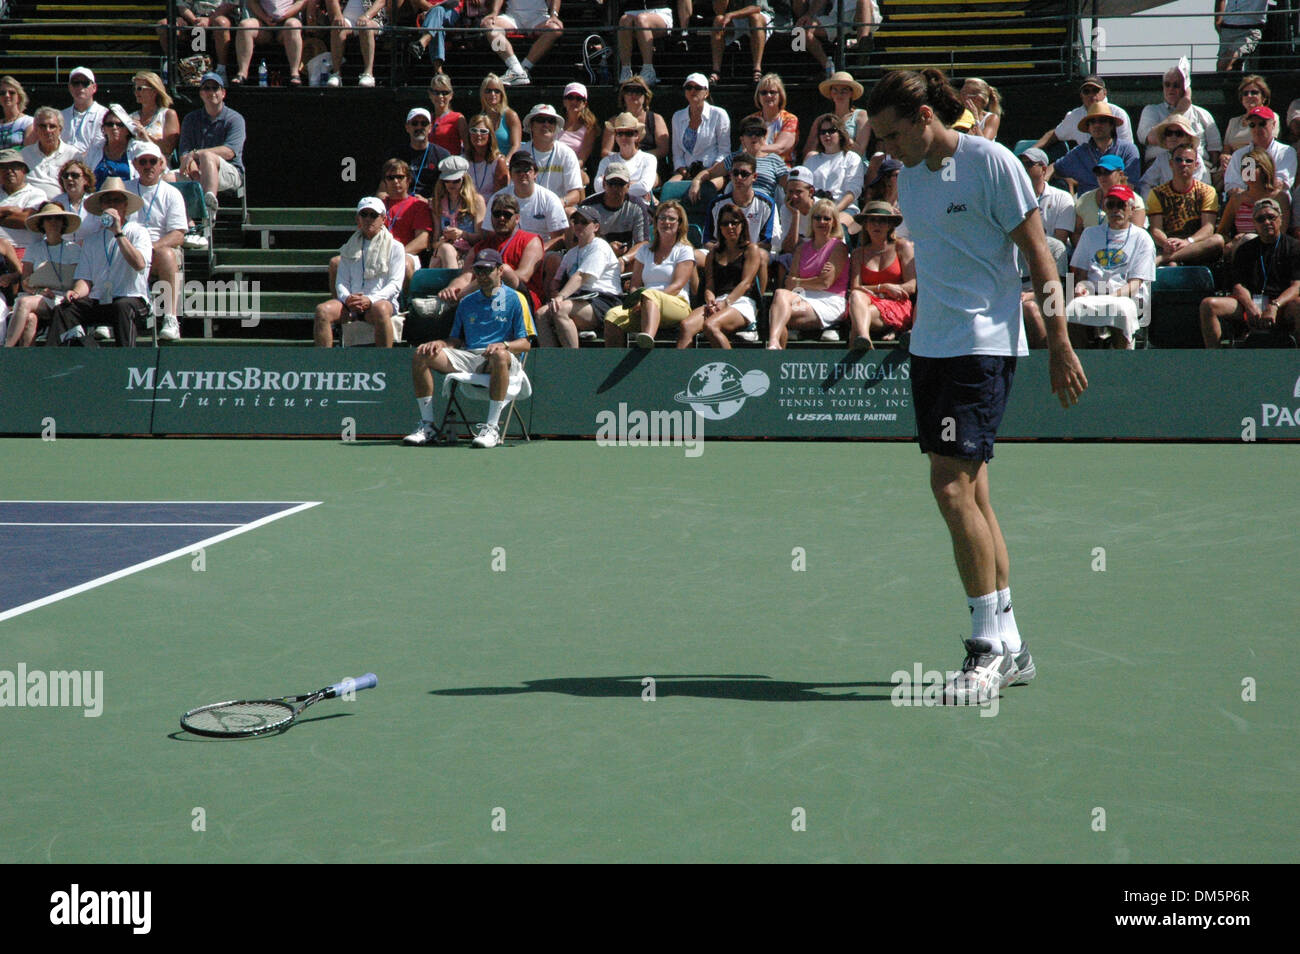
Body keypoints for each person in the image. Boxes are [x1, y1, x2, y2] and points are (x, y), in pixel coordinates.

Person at [866, 67, 1087, 704]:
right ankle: (1011, 645)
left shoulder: (992, 163)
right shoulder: (908, 178)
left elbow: (1040, 256)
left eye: (891, 133)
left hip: (982, 348)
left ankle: (985, 650)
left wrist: (1059, 340)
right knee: (976, 492)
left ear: (924, 119)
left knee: (950, 486)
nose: (885, 148)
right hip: (930, 347)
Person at [403, 248, 535, 448]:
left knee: (499, 356)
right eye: (478, 270)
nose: (481, 275)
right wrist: (440, 343)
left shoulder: (516, 299)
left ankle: (491, 428)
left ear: (500, 270)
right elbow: (455, 340)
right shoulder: (467, 302)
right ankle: (428, 426)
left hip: (502, 358)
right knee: (422, 354)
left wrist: (504, 345)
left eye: (487, 270)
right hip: (470, 356)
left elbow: (526, 343)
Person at [45, 177, 151, 348]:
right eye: (107, 201)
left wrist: (118, 233)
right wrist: (76, 292)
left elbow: (139, 264)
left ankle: (127, 361)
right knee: (65, 309)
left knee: (122, 307)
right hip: (100, 299)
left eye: (116, 200)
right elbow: (85, 278)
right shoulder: (92, 240)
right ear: (101, 206)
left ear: (125, 205)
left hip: (132, 297)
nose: (112, 205)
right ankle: (51, 362)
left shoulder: (138, 232)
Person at [1067, 185, 1156, 350]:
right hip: (1094, 293)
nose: (1116, 210)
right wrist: (1081, 287)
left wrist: (1111, 297)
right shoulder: (1090, 234)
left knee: (1118, 308)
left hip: (1128, 296)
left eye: (1121, 205)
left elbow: (1135, 284)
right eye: (1111, 205)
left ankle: (1122, 361)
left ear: (1131, 209)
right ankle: (1082, 357)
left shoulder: (1143, 238)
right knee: (1072, 307)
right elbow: (1081, 275)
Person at [1201, 197, 1299, 346]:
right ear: (1254, 223)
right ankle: (1215, 362)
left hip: (1281, 306)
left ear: (1280, 219)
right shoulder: (1245, 249)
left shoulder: (1294, 247)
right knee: (1208, 305)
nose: (1266, 222)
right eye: (1260, 219)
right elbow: (1238, 285)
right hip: (1251, 304)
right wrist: (1250, 306)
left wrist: (1274, 306)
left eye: (1271, 217)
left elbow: (1296, 286)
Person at [602, 200, 696, 348]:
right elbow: (634, 285)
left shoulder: (684, 250)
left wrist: (649, 298)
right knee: (612, 316)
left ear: (680, 224)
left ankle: (646, 341)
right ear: (656, 222)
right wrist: (637, 301)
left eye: (672, 219)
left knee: (650, 294)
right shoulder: (644, 250)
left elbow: (677, 286)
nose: (666, 222)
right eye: (662, 218)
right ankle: (614, 362)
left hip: (677, 304)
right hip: (645, 304)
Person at [313, 197, 403, 347]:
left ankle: (384, 363)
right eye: (364, 214)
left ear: (383, 218)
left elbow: (395, 284)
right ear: (358, 219)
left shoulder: (396, 247)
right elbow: (341, 281)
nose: (368, 219)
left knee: (380, 309)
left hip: (380, 302)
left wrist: (371, 299)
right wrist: (348, 298)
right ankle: (324, 365)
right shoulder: (349, 247)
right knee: (322, 311)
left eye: (373, 215)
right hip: (351, 303)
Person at [437, 192, 544, 315]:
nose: (501, 218)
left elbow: (523, 276)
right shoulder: (480, 247)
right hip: (487, 297)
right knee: (481, 277)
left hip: (521, 298)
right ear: (491, 217)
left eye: (507, 215)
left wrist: (489, 277)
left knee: (503, 271)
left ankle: (450, 304)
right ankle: (449, 300)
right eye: (497, 214)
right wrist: (452, 288)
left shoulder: (531, 240)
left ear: (517, 218)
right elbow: (466, 277)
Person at [536, 205, 623, 347]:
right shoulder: (571, 253)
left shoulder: (600, 246)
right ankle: (551, 360)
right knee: (541, 315)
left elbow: (581, 276)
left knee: (561, 310)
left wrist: (560, 297)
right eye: (576, 222)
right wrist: (555, 295)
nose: (579, 225)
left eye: (584, 222)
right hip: (578, 299)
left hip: (605, 300)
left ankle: (572, 361)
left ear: (595, 227)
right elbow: (556, 282)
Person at [765, 197, 847, 347]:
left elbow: (825, 283)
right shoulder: (802, 248)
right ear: (811, 220)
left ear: (834, 222)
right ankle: (775, 345)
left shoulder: (838, 247)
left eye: (826, 218)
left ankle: (773, 345)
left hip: (829, 300)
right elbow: (789, 284)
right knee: (780, 296)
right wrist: (809, 281)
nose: (821, 222)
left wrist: (799, 281)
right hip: (802, 298)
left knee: (777, 314)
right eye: (817, 218)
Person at [679, 201, 763, 347]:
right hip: (718, 301)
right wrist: (711, 301)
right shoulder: (713, 253)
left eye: (734, 223)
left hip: (742, 302)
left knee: (710, 326)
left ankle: (731, 367)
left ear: (742, 224)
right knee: (686, 326)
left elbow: (746, 283)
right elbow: (709, 284)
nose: (729, 227)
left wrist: (726, 303)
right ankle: (682, 368)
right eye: (725, 223)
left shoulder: (751, 250)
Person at [127, 142, 188, 341]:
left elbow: (178, 234)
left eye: (153, 161)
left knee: (168, 254)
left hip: (158, 249)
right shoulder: (125, 190)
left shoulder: (172, 193)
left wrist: (150, 248)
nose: (148, 166)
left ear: (162, 164)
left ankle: (170, 318)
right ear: (135, 164)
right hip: (128, 248)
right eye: (143, 161)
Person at [6, 202, 81, 347]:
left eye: (57, 218)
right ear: (42, 224)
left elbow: (74, 280)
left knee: (23, 302)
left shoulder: (74, 249)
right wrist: (40, 291)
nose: (53, 222)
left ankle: (6, 350)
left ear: (63, 223)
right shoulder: (33, 249)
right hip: (37, 296)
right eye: (49, 219)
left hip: (61, 299)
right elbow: (25, 281)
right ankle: (27, 362)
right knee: (31, 319)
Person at [846, 200, 914, 350]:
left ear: (890, 225)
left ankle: (859, 338)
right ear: (865, 224)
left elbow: (911, 286)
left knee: (859, 317)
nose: (877, 225)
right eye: (872, 220)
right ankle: (864, 339)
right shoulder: (858, 253)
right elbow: (855, 287)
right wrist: (883, 287)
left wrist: (886, 290)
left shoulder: (902, 246)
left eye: (882, 221)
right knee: (856, 297)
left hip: (897, 303)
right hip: (867, 302)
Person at [177, 72, 246, 215]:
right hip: (196, 170)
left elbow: (229, 152)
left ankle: (208, 214)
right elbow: (184, 153)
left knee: (208, 156)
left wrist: (196, 154)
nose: (211, 92)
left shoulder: (235, 119)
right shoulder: (191, 119)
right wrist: (195, 173)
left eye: (215, 88)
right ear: (201, 93)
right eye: (206, 88)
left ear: (223, 93)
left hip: (230, 172)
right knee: (166, 178)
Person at [1135, 64, 1221, 176]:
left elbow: (1215, 148)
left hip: (1196, 166)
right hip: (1158, 166)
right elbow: (1149, 138)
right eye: (1167, 84)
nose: (1171, 89)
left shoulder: (1203, 114)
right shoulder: (1151, 111)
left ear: (1185, 88)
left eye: (1176, 85)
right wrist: (1180, 110)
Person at [1146, 144, 1223, 267]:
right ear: (1171, 164)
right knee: (1172, 265)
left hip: (1196, 245)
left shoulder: (1207, 191)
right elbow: (1156, 229)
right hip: (1170, 244)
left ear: (1196, 165)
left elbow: (1208, 228)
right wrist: (1166, 243)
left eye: (1188, 161)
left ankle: (1163, 259)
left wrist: (1188, 241)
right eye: (1179, 160)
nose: (1183, 164)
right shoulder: (1157, 193)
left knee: (1217, 240)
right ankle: (1170, 258)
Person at [689, 117, 787, 206]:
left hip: (764, 206)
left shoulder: (775, 160)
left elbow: (788, 186)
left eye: (758, 132)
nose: (754, 136)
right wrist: (697, 181)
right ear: (742, 139)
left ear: (764, 137)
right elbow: (710, 173)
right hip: (738, 209)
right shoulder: (734, 158)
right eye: (749, 132)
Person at [1049, 102, 1141, 195]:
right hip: (1086, 207)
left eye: (1102, 121)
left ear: (1112, 125)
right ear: (1088, 128)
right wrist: (1044, 183)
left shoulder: (1128, 150)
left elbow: (1130, 186)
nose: (1097, 125)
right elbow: (1055, 167)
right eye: (1092, 122)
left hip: (1118, 204)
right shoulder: (1078, 152)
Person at [576, 161, 653, 271]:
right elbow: (580, 241)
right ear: (603, 184)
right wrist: (607, 249)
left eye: (620, 184)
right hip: (593, 258)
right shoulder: (588, 207)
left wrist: (624, 259)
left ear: (628, 185)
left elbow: (643, 242)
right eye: (611, 183)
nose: (615, 189)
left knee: (642, 259)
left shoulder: (637, 206)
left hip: (625, 261)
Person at [484, 151, 567, 252]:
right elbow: (491, 234)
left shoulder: (550, 199)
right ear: (510, 174)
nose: (523, 174)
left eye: (527, 170)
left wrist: (534, 252)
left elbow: (559, 238)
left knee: (554, 259)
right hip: (506, 250)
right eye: (518, 170)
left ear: (535, 173)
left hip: (541, 252)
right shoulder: (497, 198)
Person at [1216, 148, 1289, 260]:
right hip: (1241, 252)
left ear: (1265, 169)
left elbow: (1280, 233)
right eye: (1244, 167)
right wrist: (1231, 242)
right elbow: (1222, 232)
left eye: (1252, 167)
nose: (1247, 171)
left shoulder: (1280, 197)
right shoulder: (1237, 198)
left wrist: (1249, 239)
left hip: (1270, 251)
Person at [1033, 75, 1134, 153]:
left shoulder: (1119, 113)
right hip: (1087, 168)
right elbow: (1055, 134)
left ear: (1104, 92)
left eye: (1095, 90)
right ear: (1081, 95)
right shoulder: (1074, 116)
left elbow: (1127, 149)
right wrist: (1032, 151)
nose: (1091, 95)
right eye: (1086, 91)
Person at [481, 0, 565, 87]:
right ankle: (514, 67)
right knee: (488, 25)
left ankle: (523, 69)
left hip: (539, 17)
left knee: (555, 29)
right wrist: (494, 13)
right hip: (512, 17)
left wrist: (554, 15)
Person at [703, 152, 778, 249]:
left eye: (744, 174)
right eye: (735, 173)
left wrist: (741, 252)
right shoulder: (716, 204)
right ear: (730, 175)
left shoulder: (766, 204)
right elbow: (707, 241)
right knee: (696, 255)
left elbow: (767, 243)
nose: (739, 178)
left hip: (752, 254)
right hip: (722, 254)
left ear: (754, 177)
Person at [804, 115, 865, 231]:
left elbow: (853, 192)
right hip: (814, 209)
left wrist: (833, 211)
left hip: (844, 209)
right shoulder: (811, 160)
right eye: (823, 132)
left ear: (841, 133)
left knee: (836, 229)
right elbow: (804, 189)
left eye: (831, 131)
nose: (826, 135)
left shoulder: (852, 158)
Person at [792, 2, 878, 82]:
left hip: (867, 14)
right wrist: (809, 15)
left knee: (863, 1)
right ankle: (829, 68)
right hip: (838, 16)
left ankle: (862, 49)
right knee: (801, 30)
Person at [519, 104, 583, 212]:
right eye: (540, 120)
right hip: (527, 208)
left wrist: (559, 203)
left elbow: (576, 194)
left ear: (556, 126)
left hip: (558, 208)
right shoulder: (521, 153)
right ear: (531, 125)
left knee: (571, 212)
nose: (546, 124)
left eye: (551, 121)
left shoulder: (567, 153)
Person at [1072, 155, 1147, 246]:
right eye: (1098, 172)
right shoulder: (1084, 199)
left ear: (1121, 174)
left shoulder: (1135, 200)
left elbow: (1135, 236)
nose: (1102, 176)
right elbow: (1076, 232)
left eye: (1107, 172)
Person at [616, 2, 695, 87]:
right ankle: (626, 70)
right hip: (633, 11)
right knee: (624, 21)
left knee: (641, 20)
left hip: (659, 12)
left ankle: (648, 70)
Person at [670, 74, 730, 184]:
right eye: (689, 87)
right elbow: (677, 154)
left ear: (706, 93)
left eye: (697, 88)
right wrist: (685, 173)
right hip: (685, 172)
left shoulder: (719, 114)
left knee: (706, 190)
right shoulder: (677, 116)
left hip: (713, 172)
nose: (693, 90)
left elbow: (724, 152)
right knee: (668, 189)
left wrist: (707, 173)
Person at [599, 76, 670, 169]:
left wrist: (638, 158)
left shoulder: (656, 119)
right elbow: (605, 152)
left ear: (645, 96)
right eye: (628, 91)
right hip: (621, 167)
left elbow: (663, 149)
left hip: (649, 167)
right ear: (623, 96)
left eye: (638, 91)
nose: (633, 95)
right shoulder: (613, 121)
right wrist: (624, 159)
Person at [1224, 105, 1296, 194]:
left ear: (1273, 124)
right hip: (1246, 201)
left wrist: (1255, 192)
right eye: (1252, 125)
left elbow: (1282, 183)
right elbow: (1232, 185)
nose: (1257, 129)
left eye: (1262, 124)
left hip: (1275, 201)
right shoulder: (1239, 154)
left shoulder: (1286, 151)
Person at [157, 3, 236, 83]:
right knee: (163, 25)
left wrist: (209, 20)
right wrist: (194, 20)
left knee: (221, 23)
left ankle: (221, 70)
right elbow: (182, 6)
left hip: (219, 16)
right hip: (191, 18)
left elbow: (231, 3)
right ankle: (172, 67)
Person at [233, 0, 306, 86]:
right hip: (263, 24)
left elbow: (301, 2)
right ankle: (242, 73)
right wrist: (265, 18)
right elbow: (252, 2)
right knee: (244, 26)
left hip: (286, 24)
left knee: (293, 25)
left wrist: (284, 16)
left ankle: (294, 74)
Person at [802, 70, 871, 160]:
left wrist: (839, 134)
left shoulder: (861, 115)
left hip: (854, 164)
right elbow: (808, 151)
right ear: (830, 93)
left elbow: (860, 151)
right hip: (827, 164)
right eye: (835, 90)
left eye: (844, 90)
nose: (839, 94)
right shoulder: (821, 120)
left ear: (851, 93)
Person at [430, 155, 484, 268]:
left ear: (464, 179)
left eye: (455, 180)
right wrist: (442, 241)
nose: (451, 184)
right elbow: (434, 242)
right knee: (446, 249)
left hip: (468, 254)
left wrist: (462, 234)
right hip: (444, 253)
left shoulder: (476, 201)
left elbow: (482, 237)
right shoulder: (437, 202)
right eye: (447, 181)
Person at [1139, 114, 1214, 193]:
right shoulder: (1162, 158)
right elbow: (1146, 183)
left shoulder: (1195, 159)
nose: (1173, 137)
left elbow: (1201, 188)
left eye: (1179, 133)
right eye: (1169, 133)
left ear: (1188, 138)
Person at [20, 108, 81, 201]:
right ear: (35, 129)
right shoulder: (24, 154)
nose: (47, 130)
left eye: (52, 126)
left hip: (61, 207)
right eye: (42, 126)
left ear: (60, 129)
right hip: (30, 206)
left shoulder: (73, 155)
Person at [389, 108, 449, 200]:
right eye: (414, 123)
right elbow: (383, 188)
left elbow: (450, 190)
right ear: (407, 127)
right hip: (403, 204)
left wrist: (427, 202)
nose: (419, 127)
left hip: (433, 206)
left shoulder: (442, 155)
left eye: (424, 124)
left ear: (430, 128)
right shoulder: (396, 154)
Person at [594, 113, 658, 201]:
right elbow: (597, 186)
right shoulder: (607, 161)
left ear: (637, 135)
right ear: (615, 136)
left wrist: (612, 185)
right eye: (619, 133)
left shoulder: (649, 159)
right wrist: (632, 183)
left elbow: (644, 187)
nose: (623, 137)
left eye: (628, 133)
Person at [708, 1, 773, 87]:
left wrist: (731, 15)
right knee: (718, 20)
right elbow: (719, 11)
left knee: (755, 17)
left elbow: (756, 8)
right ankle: (716, 72)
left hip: (760, 14)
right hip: (736, 16)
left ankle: (757, 70)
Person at [323, 0, 382, 87]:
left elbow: (381, 1)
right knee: (337, 27)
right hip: (347, 18)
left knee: (366, 26)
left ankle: (368, 74)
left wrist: (367, 16)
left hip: (372, 18)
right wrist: (338, 14)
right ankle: (336, 74)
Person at [0, 149, 45, 257]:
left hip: (25, 251)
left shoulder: (36, 194)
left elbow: (27, 220)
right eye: (3, 167)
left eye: (14, 166)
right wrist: (7, 210)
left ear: (24, 170)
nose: (9, 171)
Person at [128, 71, 181, 163]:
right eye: (135, 88)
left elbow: (168, 149)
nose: (136, 92)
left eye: (140, 88)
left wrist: (145, 135)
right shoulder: (131, 117)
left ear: (154, 91)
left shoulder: (167, 115)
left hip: (159, 167)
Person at [747, 73, 797, 165]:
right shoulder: (751, 120)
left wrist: (754, 148)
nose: (768, 95)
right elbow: (744, 147)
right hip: (755, 165)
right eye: (764, 92)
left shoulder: (790, 119)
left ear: (780, 95)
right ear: (758, 96)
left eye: (772, 92)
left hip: (781, 166)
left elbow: (780, 148)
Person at [83, 106, 138, 190]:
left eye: (119, 124)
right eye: (109, 124)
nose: (114, 127)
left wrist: (144, 137)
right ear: (104, 129)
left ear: (127, 129)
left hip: (128, 198)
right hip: (99, 199)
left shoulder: (137, 149)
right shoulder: (95, 148)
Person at [465, 112, 508, 209]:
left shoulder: (498, 162)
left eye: (483, 131)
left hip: (491, 210)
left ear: (490, 135)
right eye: (474, 130)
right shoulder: (463, 160)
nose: (478, 134)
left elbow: (500, 197)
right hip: (467, 210)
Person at [61, 67, 108, 157]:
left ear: (94, 88)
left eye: (85, 83)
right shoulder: (60, 116)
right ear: (70, 87)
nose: (80, 87)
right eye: (75, 83)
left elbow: (101, 146)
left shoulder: (104, 115)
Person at [52, 158, 100, 245]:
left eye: (74, 175)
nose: (69, 178)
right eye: (65, 176)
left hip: (90, 250)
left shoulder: (95, 202)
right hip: (62, 252)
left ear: (86, 179)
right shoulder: (56, 202)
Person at [1215, 0, 1268, 73]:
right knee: (1223, 67)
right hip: (1227, 29)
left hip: (1249, 30)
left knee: (1224, 63)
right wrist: (1218, 20)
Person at [558, 83, 598, 178]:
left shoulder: (589, 128)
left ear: (584, 104)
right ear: (564, 101)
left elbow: (582, 159)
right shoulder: (554, 123)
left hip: (573, 172)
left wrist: (564, 171)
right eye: (570, 97)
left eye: (579, 99)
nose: (574, 101)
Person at [479, 74, 522, 160]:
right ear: (483, 93)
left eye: (497, 91)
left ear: (502, 94)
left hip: (507, 165)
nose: (493, 94)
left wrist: (506, 163)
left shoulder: (510, 115)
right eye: (488, 91)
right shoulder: (480, 118)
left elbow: (516, 145)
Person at [426, 73, 468, 155]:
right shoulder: (426, 118)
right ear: (430, 94)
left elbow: (468, 148)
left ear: (451, 95)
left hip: (450, 165)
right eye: (436, 92)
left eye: (445, 92)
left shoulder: (458, 118)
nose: (440, 96)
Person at [959, 77, 1002, 141]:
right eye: (961, 93)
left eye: (964, 94)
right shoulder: (958, 114)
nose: (961, 97)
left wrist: (975, 119)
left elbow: (984, 143)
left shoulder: (991, 118)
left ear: (978, 98)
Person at [0, 76, 35, 150]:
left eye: (11, 92)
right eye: (2, 93)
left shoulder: (28, 122)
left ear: (19, 97)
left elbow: (29, 153)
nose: (7, 95)